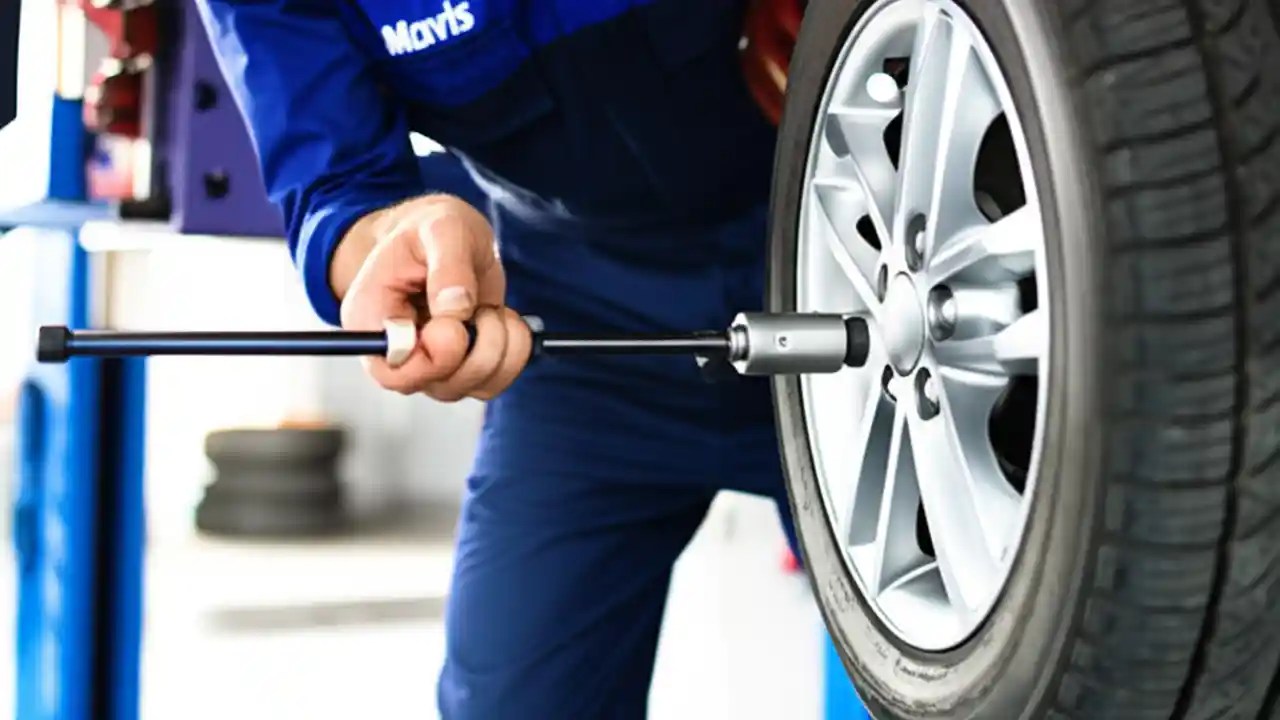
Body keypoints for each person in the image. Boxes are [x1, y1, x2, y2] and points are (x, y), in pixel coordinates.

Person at [196, 1, 797, 716]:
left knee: (956, 663)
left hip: (851, 268)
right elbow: (339, 188)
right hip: (587, 344)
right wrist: (399, 239)